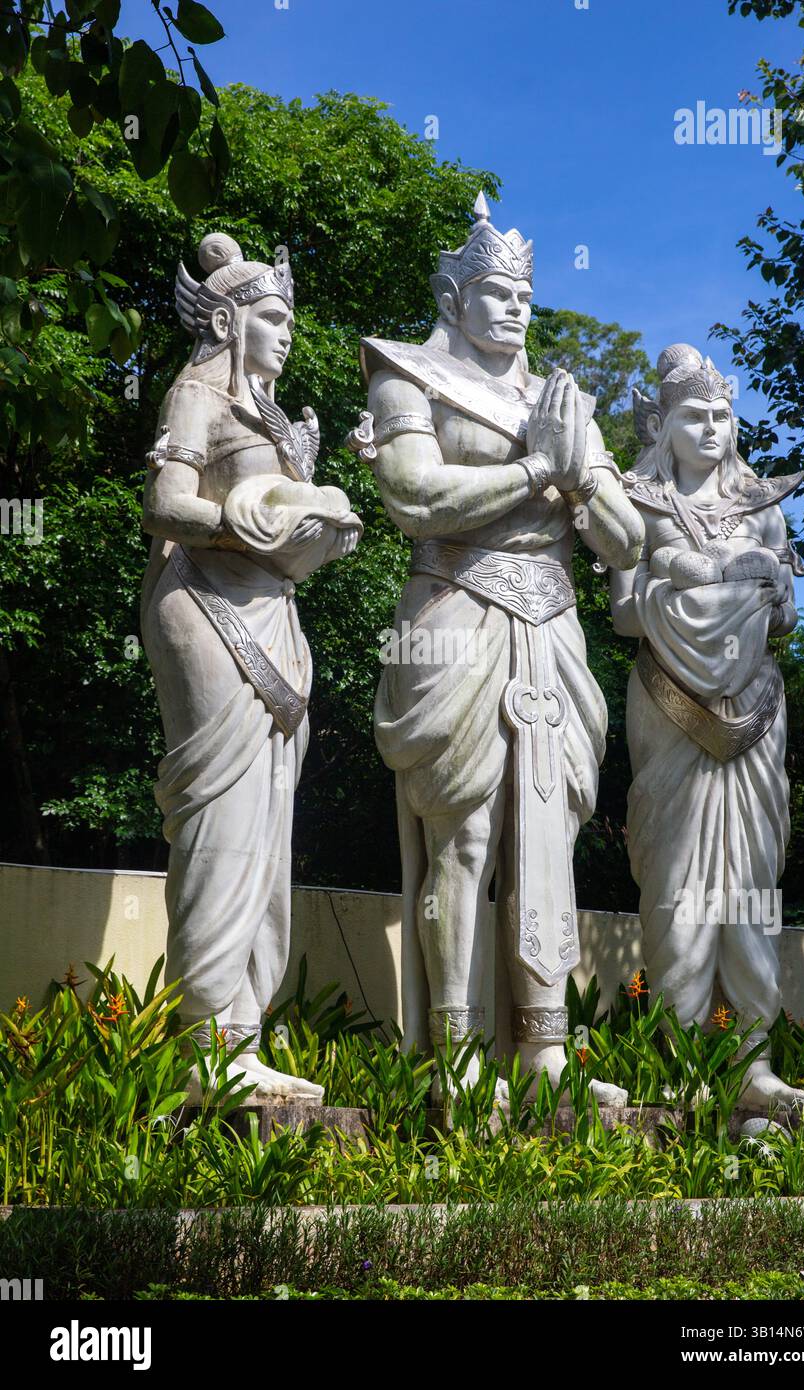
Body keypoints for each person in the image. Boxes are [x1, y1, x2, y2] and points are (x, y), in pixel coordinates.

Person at [352, 193, 643, 1096]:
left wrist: (578, 482)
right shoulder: (408, 376)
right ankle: (458, 1056)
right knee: (467, 835)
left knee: (545, 837)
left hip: (551, 625)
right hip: (454, 613)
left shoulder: (560, 400)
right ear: (454, 298)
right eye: (495, 292)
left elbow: (628, 539)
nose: (516, 306)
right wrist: (537, 474)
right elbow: (413, 497)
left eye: (524, 292)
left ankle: (546, 1052)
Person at [141, 232, 362, 1099]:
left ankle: (241, 1034)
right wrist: (253, 522)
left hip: (276, 612)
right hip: (202, 602)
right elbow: (163, 504)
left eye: (292, 318)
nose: (288, 331)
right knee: (219, 817)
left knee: (269, 825)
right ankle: (202, 1048)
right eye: (273, 316)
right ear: (228, 319)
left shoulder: (273, 413)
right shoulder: (198, 392)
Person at [610, 343, 804, 1112]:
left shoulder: (765, 506)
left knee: (753, 885)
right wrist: (698, 579)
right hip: (670, 706)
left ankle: (754, 1069)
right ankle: (681, 1066)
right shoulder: (636, 502)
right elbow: (625, 612)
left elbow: (788, 618)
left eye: (721, 415)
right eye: (692, 416)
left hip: (756, 711)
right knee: (675, 883)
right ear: (660, 423)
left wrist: (762, 579)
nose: (709, 428)